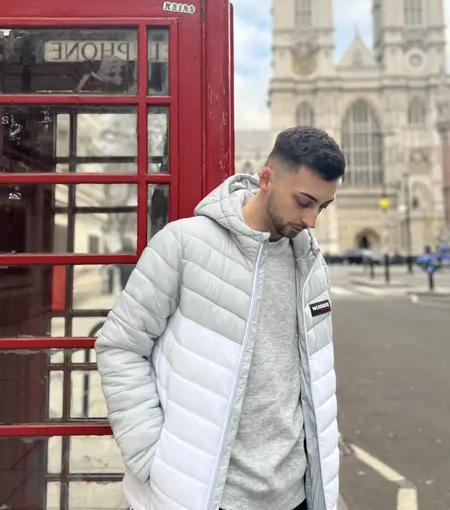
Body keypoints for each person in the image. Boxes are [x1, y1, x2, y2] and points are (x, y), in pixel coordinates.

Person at [95, 126, 346, 510]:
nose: (312, 221)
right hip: (209, 496)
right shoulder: (184, 244)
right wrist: (148, 455)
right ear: (266, 179)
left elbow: (314, 376)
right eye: (304, 202)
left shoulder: (310, 264)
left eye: (323, 207)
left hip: (295, 495)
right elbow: (120, 346)